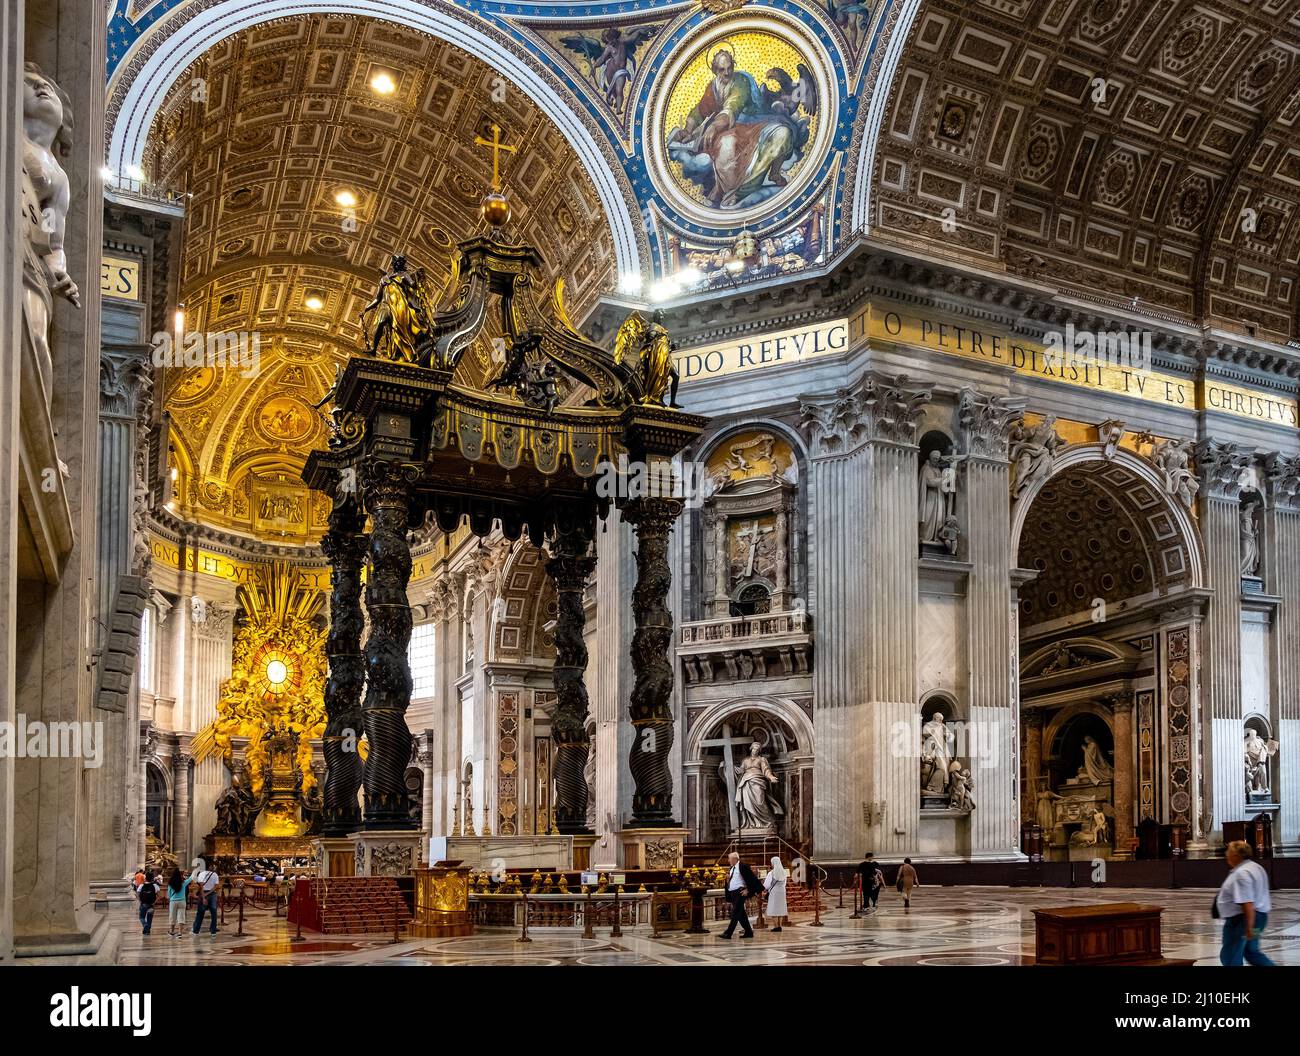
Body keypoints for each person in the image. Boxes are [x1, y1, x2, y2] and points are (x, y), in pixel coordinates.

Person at [1216, 840, 1275, 967]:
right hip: (1260, 917)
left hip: (1242, 920)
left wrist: (1249, 927)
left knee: (1230, 956)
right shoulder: (1256, 867)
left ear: (1236, 855)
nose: (1226, 855)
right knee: (1251, 952)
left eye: (1229, 852)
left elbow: (1247, 902)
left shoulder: (1241, 873)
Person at [720, 850, 761, 939]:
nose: (728, 861)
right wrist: (727, 880)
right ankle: (749, 932)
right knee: (741, 914)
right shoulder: (732, 868)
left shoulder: (743, 866)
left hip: (740, 892)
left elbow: (752, 879)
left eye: (729, 859)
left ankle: (728, 933)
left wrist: (748, 890)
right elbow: (733, 880)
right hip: (733, 893)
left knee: (735, 913)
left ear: (735, 859)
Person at [192, 859, 221, 936]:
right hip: (212, 894)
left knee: (200, 913)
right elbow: (216, 886)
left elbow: (201, 886)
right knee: (213, 913)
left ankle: (196, 930)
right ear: (210, 866)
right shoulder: (215, 875)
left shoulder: (201, 874)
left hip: (203, 894)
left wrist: (204, 897)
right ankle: (213, 931)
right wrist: (209, 893)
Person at [166, 867, 193, 939]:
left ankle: (171, 931)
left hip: (173, 901)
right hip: (182, 901)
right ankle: (180, 932)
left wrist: (169, 900)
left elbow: (168, 895)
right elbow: (190, 879)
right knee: (181, 916)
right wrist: (194, 872)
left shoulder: (170, 883)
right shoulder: (183, 883)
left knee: (172, 916)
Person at [763, 856, 788, 932]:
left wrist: (765, 889)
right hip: (782, 892)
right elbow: (785, 884)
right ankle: (780, 926)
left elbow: (766, 885)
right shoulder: (784, 872)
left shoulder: (771, 873)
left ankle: (776, 926)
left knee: (773, 909)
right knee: (780, 909)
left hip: (774, 892)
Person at [136, 871, 159, 936]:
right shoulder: (155, 886)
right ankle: (147, 931)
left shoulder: (141, 885)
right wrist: (154, 902)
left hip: (143, 904)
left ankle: (145, 925)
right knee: (150, 918)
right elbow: (159, 896)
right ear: (152, 878)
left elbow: (137, 894)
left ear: (145, 878)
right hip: (151, 904)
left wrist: (140, 901)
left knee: (141, 917)